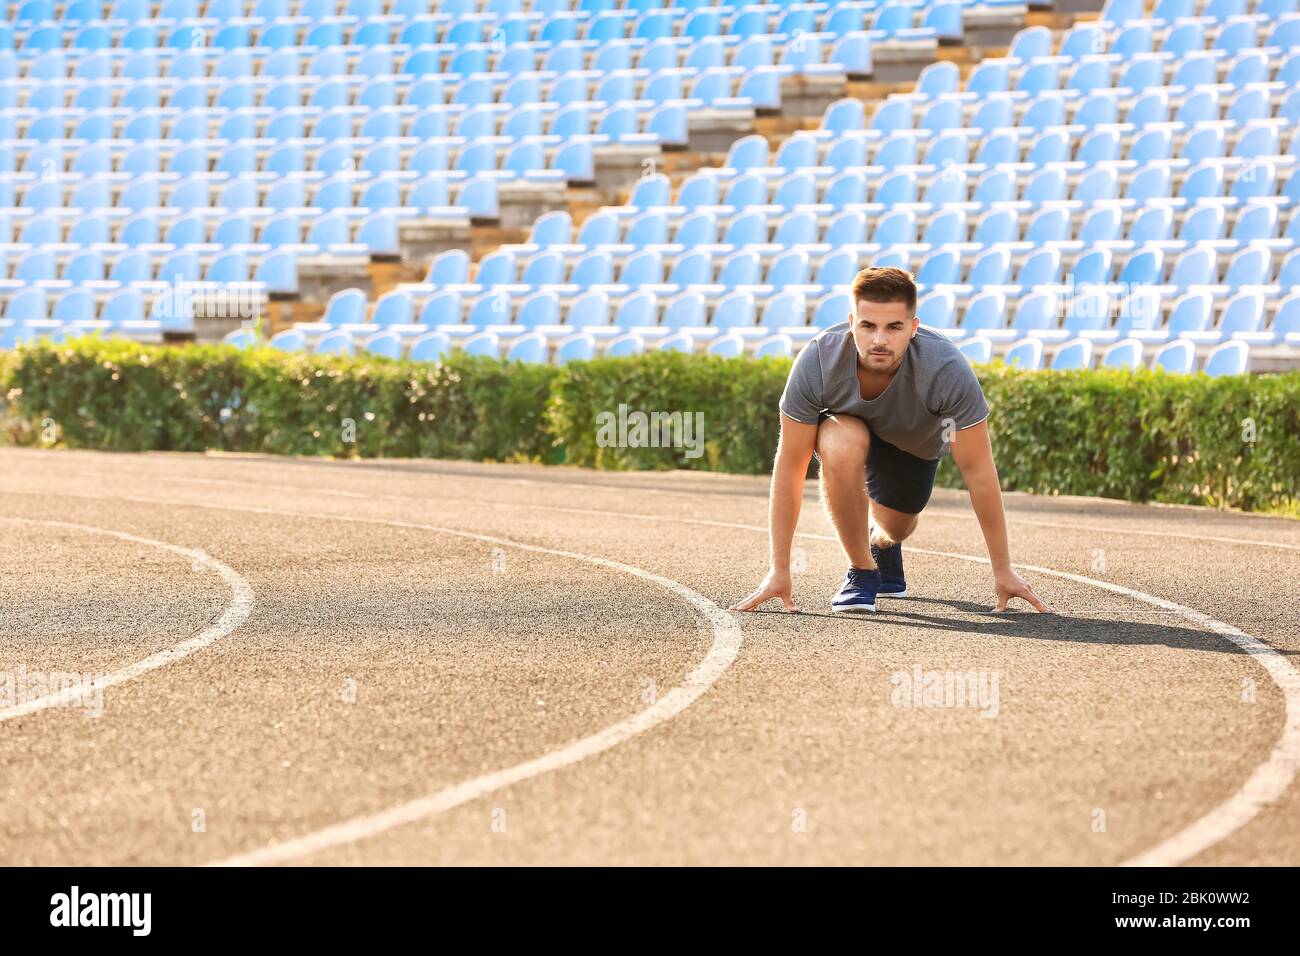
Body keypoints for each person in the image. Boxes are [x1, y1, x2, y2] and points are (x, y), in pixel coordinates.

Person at [730, 266, 1054, 615]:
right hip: (849, 431)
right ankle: (863, 571)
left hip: (913, 448)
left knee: (895, 528)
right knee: (839, 441)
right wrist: (779, 568)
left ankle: (881, 545)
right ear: (852, 322)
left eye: (893, 327)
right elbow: (791, 465)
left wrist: (1002, 569)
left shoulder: (946, 369)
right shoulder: (818, 361)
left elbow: (977, 469)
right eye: (868, 326)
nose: (879, 340)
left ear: (913, 328)